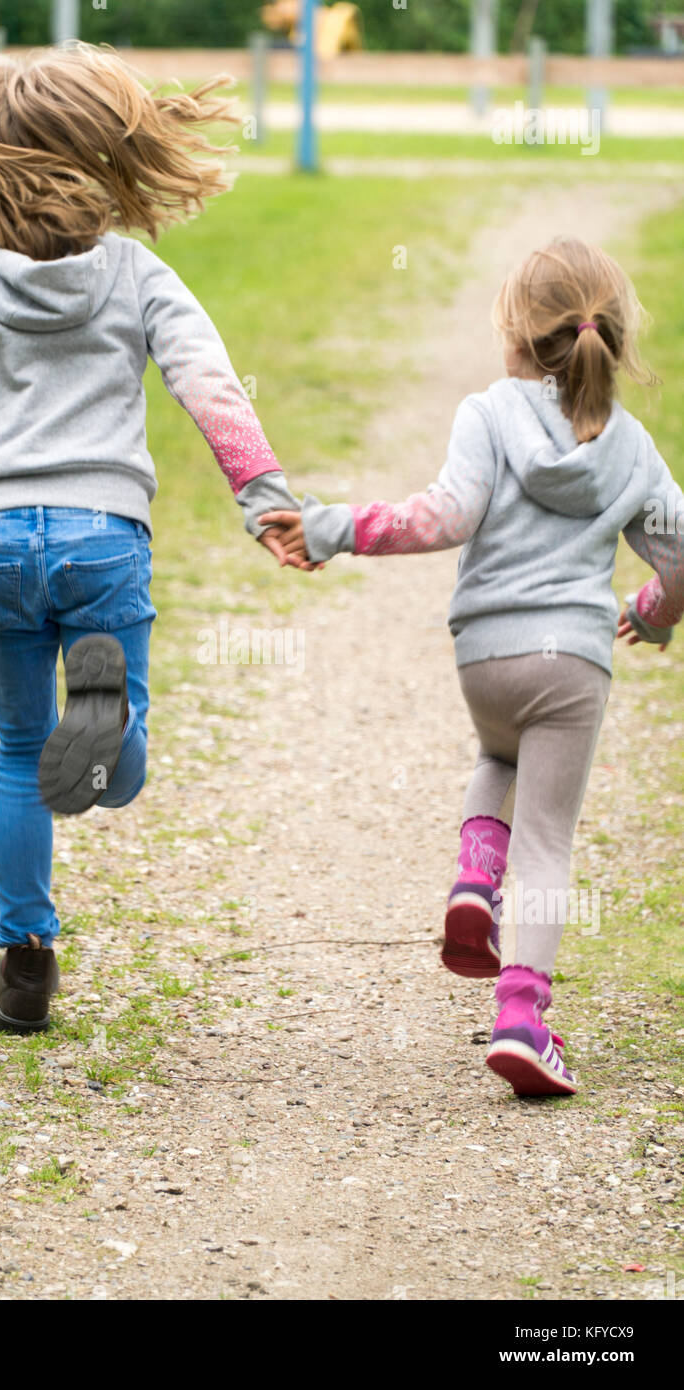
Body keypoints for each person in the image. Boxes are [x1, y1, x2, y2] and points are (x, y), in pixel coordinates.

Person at [0, 44, 309, 1034]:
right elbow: (211, 389)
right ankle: (112, 731)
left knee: (22, 748)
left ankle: (24, 961)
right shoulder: (136, 276)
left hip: (0, 543)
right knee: (117, 764)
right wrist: (262, 493)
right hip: (106, 536)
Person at [260, 237, 684, 1096]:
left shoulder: (487, 414)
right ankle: (523, 1017)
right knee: (551, 841)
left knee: (498, 758)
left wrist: (335, 526)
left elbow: (441, 518)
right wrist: (650, 613)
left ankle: (472, 876)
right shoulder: (632, 447)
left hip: (484, 658)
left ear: (515, 335)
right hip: (572, 667)